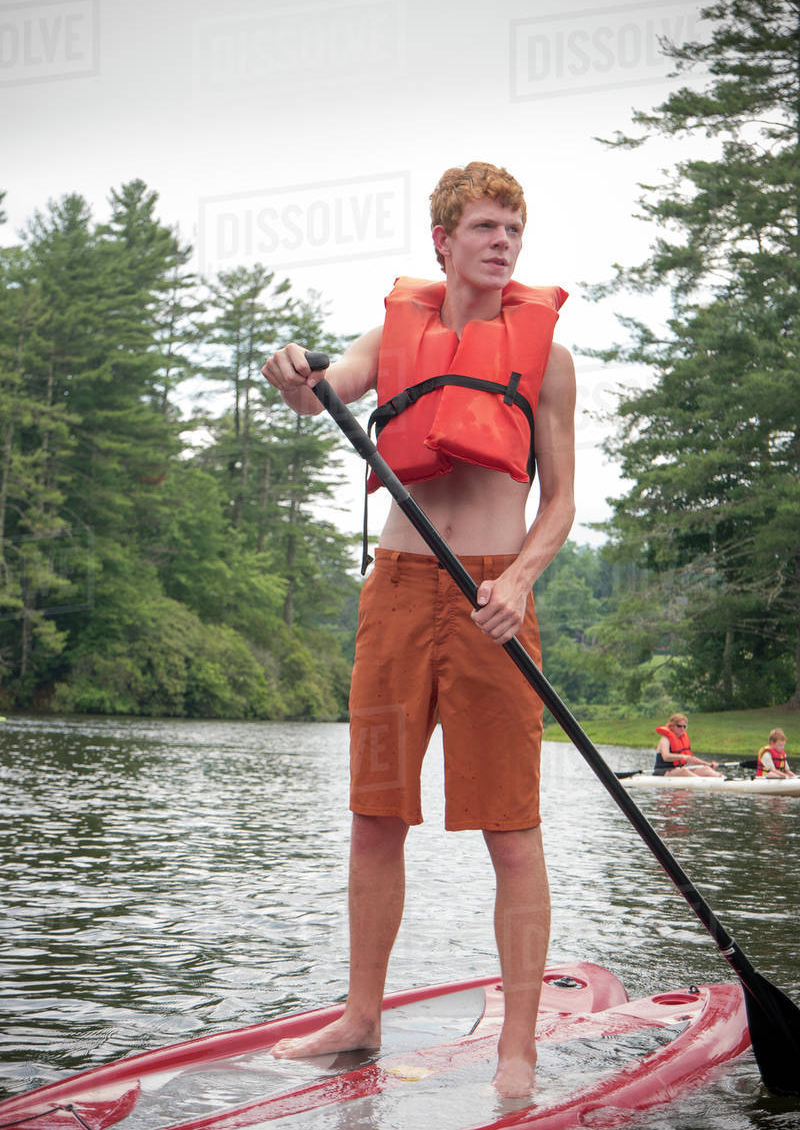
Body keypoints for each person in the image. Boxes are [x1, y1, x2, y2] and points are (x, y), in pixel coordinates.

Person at [261, 161, 576, 1098]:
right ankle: (360, 1020)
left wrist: (521, 579)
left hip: (493, 601)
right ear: (443, 239)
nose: (502, 243)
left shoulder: (550, 356)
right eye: (484, 227)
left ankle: (517, 1047)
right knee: (374, 817)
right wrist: (293, 371)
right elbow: (326, 385)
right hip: (398, 592)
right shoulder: (392, 333)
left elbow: (559, 504)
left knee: (512, 831)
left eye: (512, 229)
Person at [653, 713, 718, 777]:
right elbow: (666, 757)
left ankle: (722, 778)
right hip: (663, 771)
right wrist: (683, 757)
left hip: (678, 770)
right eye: (679, 726)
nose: (682, 729)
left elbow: (691, 759)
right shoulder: (665, 739)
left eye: (684, 726)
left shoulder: (682, 739)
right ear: (672, 726)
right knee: (683, 771)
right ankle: (701, 781)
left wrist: (707, 764)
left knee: (705, 769)